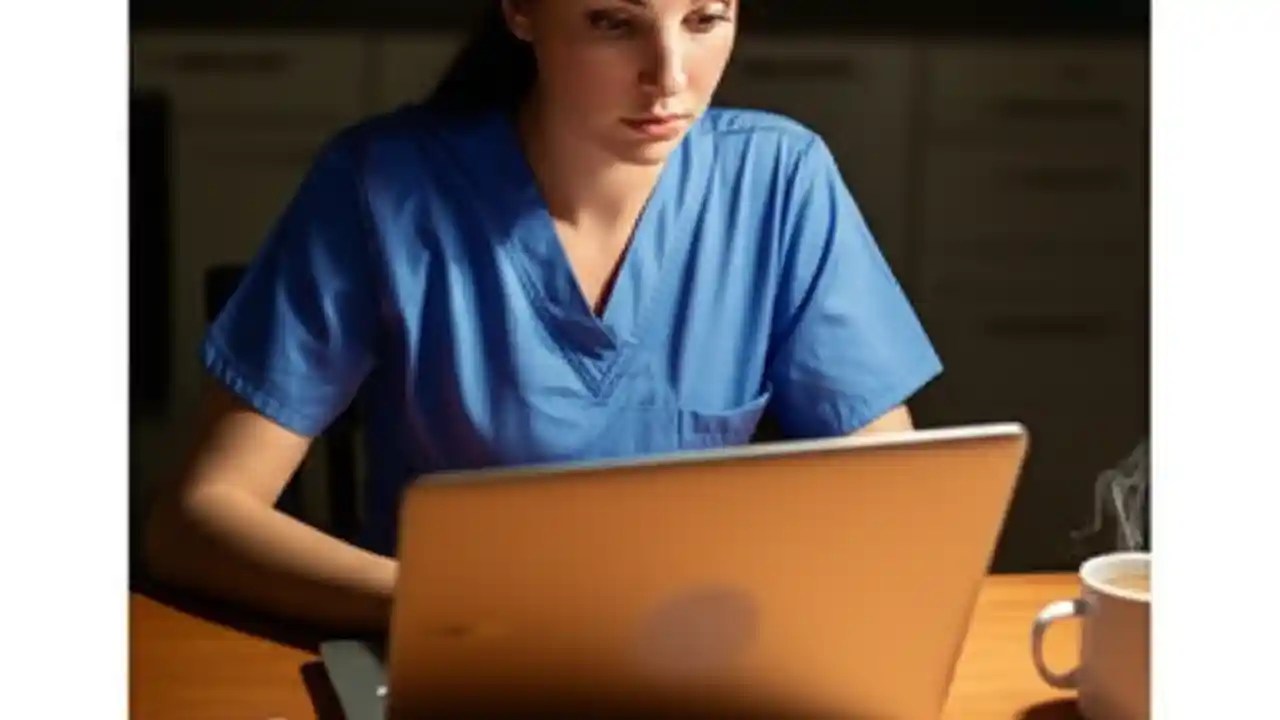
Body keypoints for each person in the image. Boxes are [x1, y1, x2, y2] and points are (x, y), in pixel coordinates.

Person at [144, 0, 942, 632]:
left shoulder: (780, 179)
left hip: (698, 658)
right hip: (450, 655)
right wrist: (461, 614)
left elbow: (894, 514)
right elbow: (195, 521)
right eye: (611, 23)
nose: (669, 78)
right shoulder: (379, 185)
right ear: (520, 10)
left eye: (705, 20)